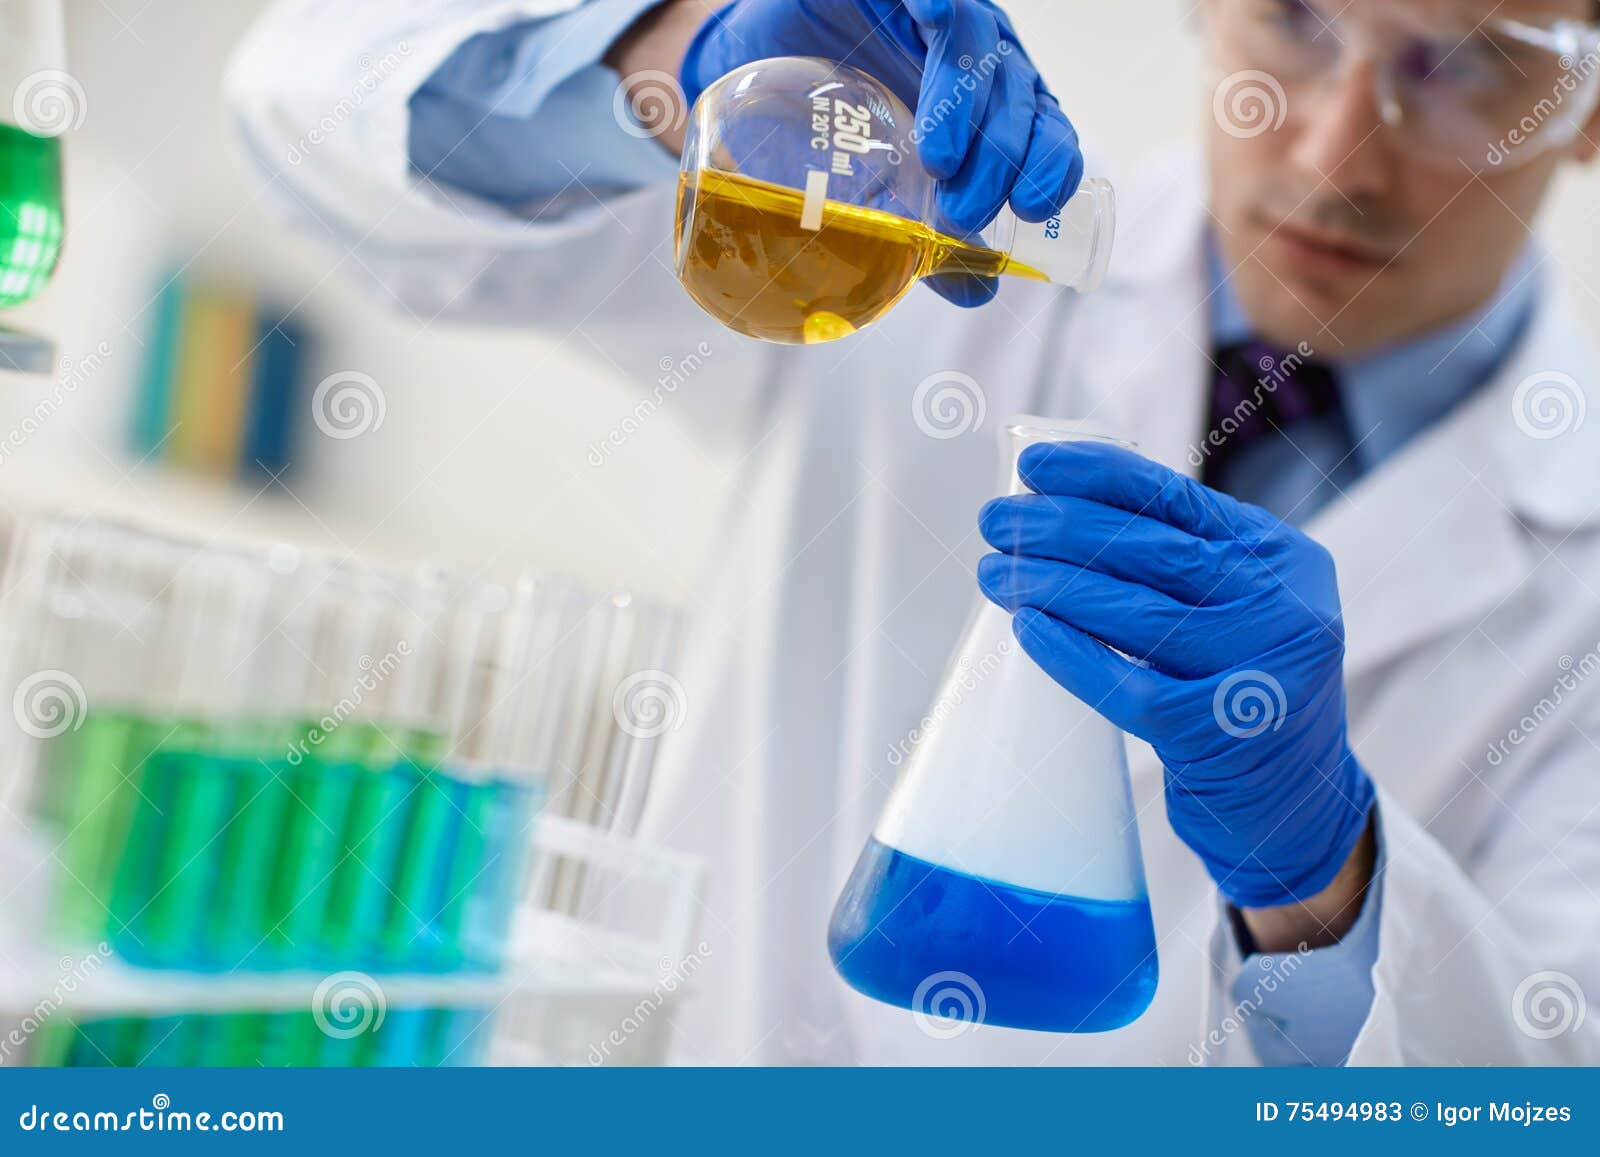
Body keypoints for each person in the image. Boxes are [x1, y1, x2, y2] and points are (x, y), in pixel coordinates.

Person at [228, 0, 1600, 1065]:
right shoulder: (938, 243)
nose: (1333, 153)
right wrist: (678, 57)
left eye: (1471, 62)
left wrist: (1329, 885)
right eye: (1296, 20)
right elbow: (314, 122)